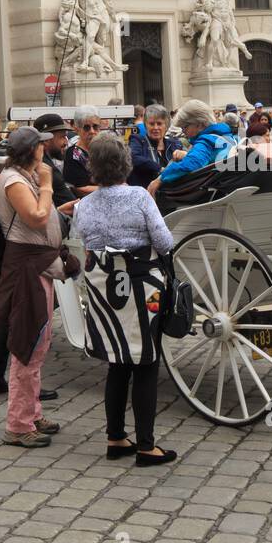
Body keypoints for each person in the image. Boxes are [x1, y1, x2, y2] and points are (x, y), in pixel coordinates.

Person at [72, 133, 177, 467]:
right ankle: (146, 445)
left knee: (118, 362)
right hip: (140, 284)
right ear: (125, 164)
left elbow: (84, 240)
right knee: (145, 361)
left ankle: (116, 437)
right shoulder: (139, 197)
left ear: (94, 167)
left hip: (103, 287)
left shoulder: (84, 205)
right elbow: (164, 241)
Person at [0, 127, 70, 447]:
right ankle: (18, 424)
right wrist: (49, 185)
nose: (45, 148)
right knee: (27, 341)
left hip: (40, 265)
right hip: (26, 268)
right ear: (31, 150)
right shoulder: (13, 180)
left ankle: (31, 412)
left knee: (39, 341)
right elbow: (36, 217)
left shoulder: (27, 175)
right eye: (40, 144)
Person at [151, 101, 238, 194]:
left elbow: (191, 164)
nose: (183, 131)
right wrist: (188, 154)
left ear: (199, 124)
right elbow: (211, 157)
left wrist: (160, 179)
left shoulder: (206, 141)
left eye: (185, 127)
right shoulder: (228, 137)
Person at [63, 106, 102, 195]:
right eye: (86, 127)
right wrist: (110, 188)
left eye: (95, 126)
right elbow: (79, 188)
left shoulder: (104, 149)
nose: (92, 131)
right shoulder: (73, 154)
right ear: (77, 129)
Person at [128, 106, 160, 186]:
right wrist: (160, 168)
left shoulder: (174, 143)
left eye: (159, 124)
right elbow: (134, 157)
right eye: (152, 124)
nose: (156, 128)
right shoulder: (136, 139)